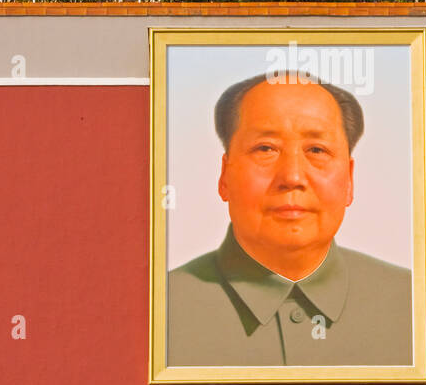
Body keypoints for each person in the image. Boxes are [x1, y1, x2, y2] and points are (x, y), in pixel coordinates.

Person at [166, 74, 412, 367]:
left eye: (317, 151)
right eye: (266, 149)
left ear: (349, 180)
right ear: (224, 176)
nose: (292, 177)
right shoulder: (162, 307)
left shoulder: (411, 304)